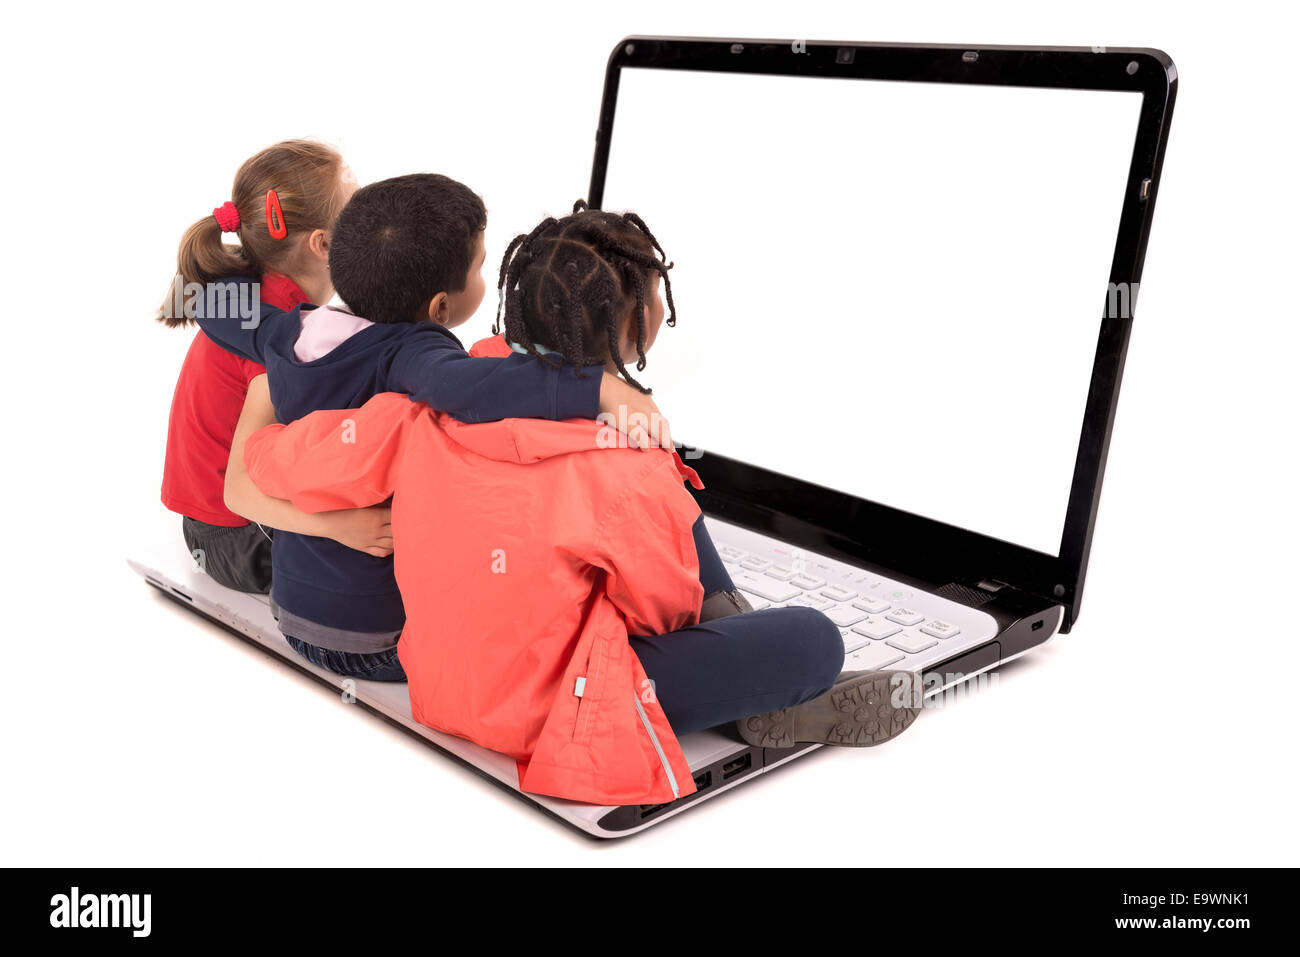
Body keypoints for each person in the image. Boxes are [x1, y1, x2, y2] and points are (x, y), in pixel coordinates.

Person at [241, 202, 920, 806]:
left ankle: (739, 666)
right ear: (640, 323)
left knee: (665, 513)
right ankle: (755, 695)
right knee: (812, 640)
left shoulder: (428, 397)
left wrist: (268, 445)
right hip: (557, 708)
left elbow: (291, 455)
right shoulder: (626, 461)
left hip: (436, 679)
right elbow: (663, 612)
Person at [196, 177, 670, 682]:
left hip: (291, 614)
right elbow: (472, 386)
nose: (487, 277)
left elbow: (211, 308)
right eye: (482, 265)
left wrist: (224, 245)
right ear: (440, 308)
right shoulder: (409, 350)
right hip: (382, 639)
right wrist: (598, 387)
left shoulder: (286, 332)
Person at [157, 140, 392, 592]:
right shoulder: (279, 335)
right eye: (361, 216)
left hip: (223, 525)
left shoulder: (263, 307)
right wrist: (341, 526)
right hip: (234, 537)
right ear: (324, 245)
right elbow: (248, 486)